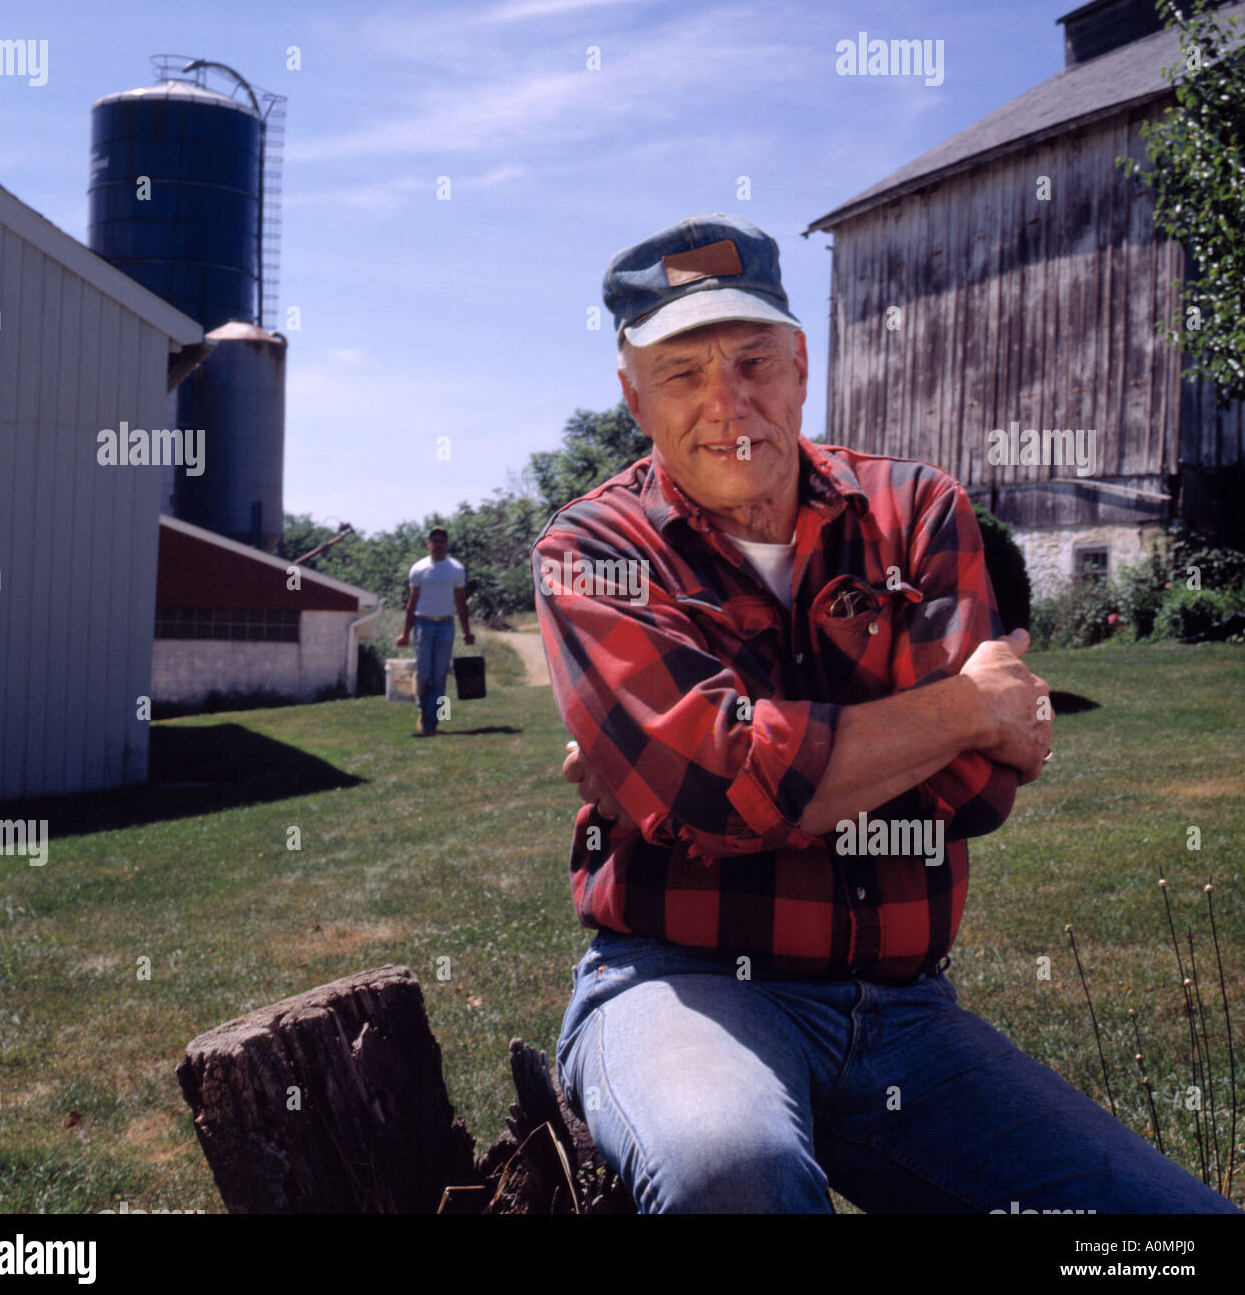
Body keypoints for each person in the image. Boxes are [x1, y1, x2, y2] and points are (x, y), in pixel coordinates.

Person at [530, 213, 1238, 1214]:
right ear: (631, 393)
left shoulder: (913, 509)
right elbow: (717, 789)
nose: (726, 401)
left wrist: (721, 777)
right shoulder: (594, 544)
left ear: (800, 362)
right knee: (727, 1167)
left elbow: (977, 790)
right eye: (682, 372)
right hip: (681, 984)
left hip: (904, 1013)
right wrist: (962, 707)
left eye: (752, 359)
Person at [395, 526, 474, 736]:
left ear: (446, 544)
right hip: (423, 624)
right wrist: (405, 633)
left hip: (446, 625)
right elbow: (411, 603)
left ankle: (434, 721)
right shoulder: (419, 569)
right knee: (424, 675)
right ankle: (424, 713)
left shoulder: (456, 569)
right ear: (428, 544)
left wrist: (467, 631)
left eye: (441, 541)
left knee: (440, 675)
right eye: (434, 541)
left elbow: (460, 602)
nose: (438, 545)